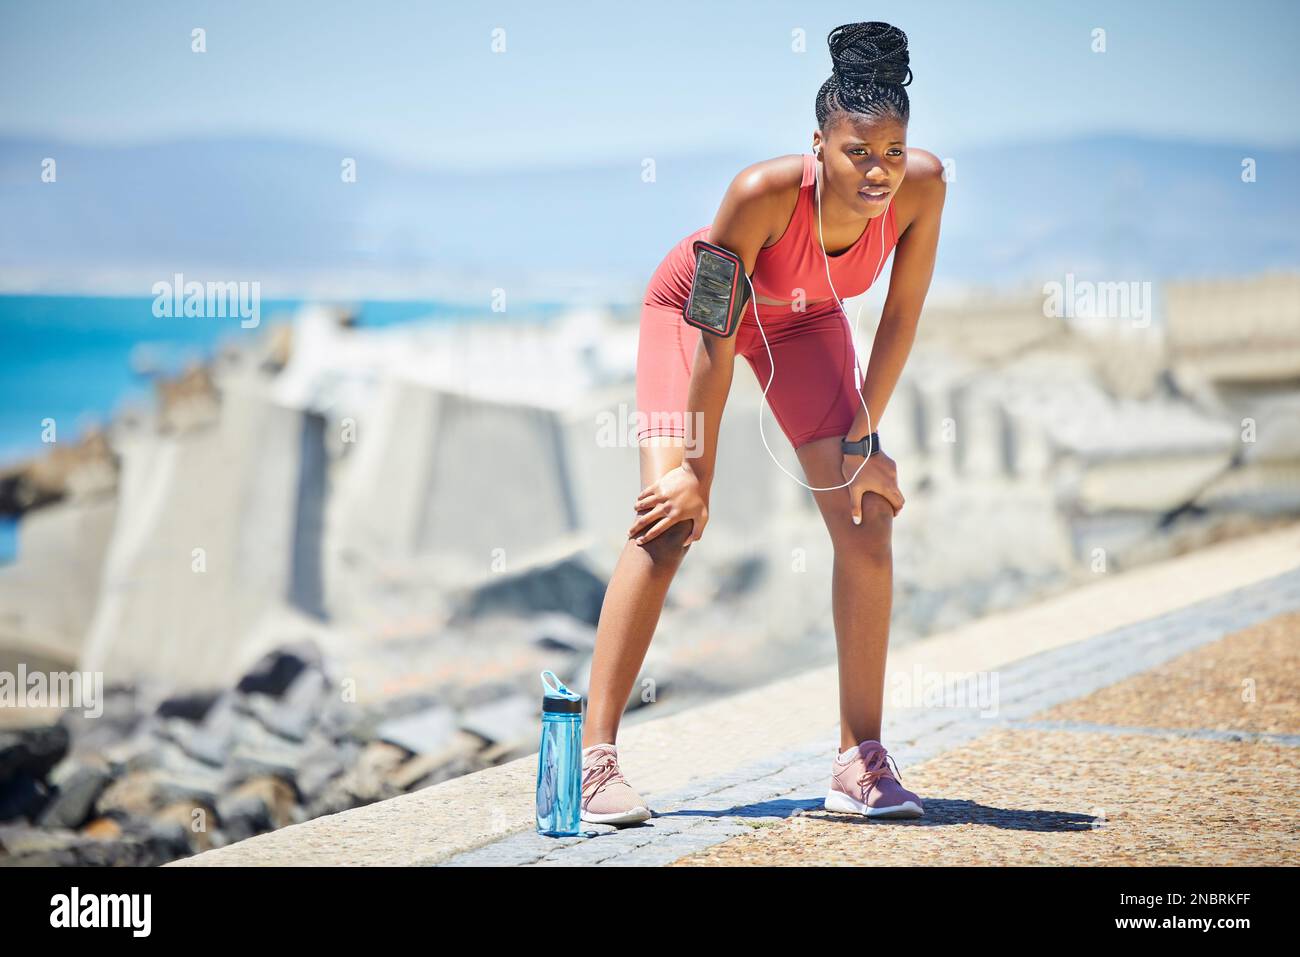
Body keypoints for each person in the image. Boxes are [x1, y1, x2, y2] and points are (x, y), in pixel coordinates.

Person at [580, 21, 946, 825]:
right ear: (818, 143)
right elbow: (715, 331)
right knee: (668, 522)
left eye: (892, 150)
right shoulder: (760, 194)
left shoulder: (925, 187)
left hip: (804, 322)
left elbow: (900, 319)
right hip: (694, 315)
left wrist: (864, 439)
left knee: (867, 513)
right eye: (857, 151)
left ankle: (860, 763)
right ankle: (595, 761)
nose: (878, 170)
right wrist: (693, 471)